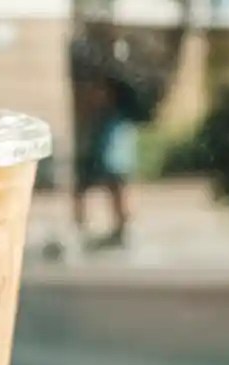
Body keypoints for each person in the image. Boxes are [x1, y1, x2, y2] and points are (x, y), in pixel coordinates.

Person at [69, 23, 141, 250]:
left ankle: (104, 227)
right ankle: (116, 227)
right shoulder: (121, 68)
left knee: (108, 179)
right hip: (115, 130)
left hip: (109, 131)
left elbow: (98, 98)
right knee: (114, 181)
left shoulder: (109, 71)